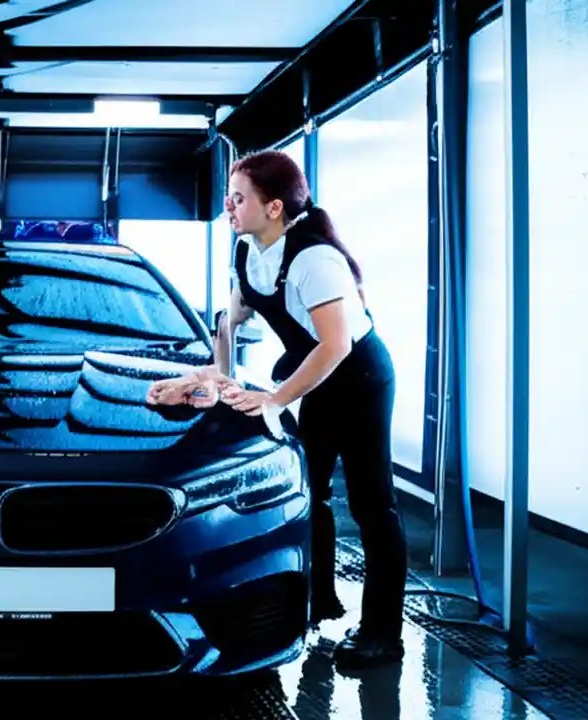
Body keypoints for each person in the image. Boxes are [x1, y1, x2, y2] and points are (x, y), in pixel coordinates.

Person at [147, 150, 407, 669]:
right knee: (313, 489)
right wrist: (211, 376)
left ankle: (383, 633)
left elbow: (335, 346)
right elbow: (229, 320)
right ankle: (320, 602)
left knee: (371, 505)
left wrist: (274, 398)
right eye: (229, 195)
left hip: (360, 378)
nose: (228, 204)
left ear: (273, 207)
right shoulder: (248, 252)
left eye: (239, 197)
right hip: (317, 381)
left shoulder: (314, 260)